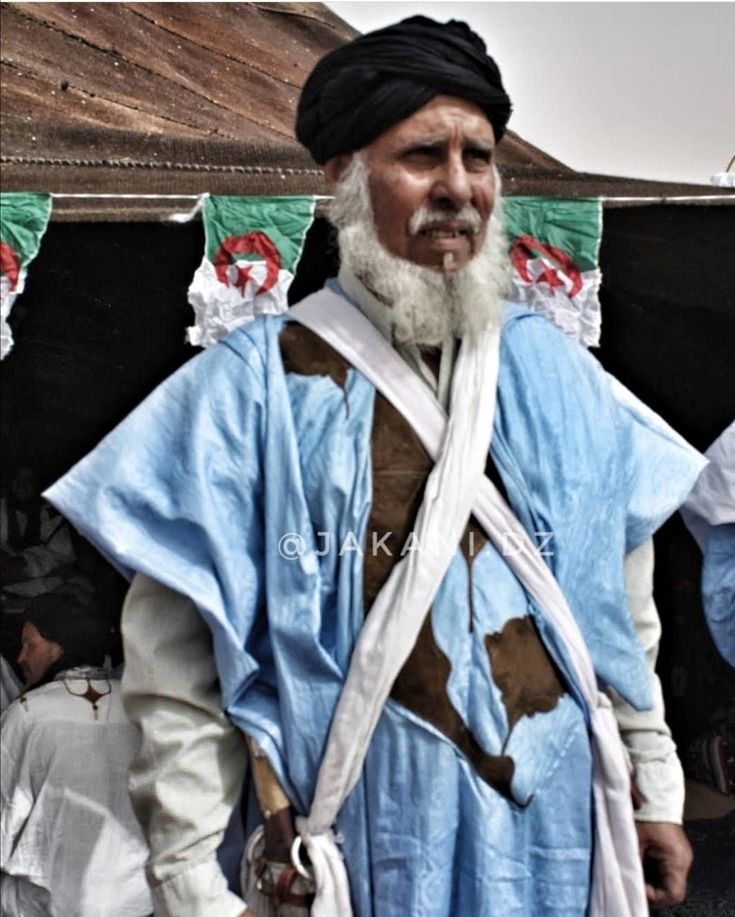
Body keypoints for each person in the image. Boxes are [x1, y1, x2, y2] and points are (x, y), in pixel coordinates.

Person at [45, 16, 706, 917]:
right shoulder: (248, 392)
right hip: (363, 849)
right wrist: (189, 883)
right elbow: (179, 667)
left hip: (558, 843)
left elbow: (620, 610)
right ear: (342, 175)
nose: (458, 187)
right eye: (421, 155)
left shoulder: (564, 377)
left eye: (478, 157)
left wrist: (654, 787)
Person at [0, 593, 152, 917]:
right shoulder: (140, 708)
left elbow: (4, 814)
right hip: (138, 901)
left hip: (52, 904)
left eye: (31, 645)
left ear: (60, 648)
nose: (20, 656)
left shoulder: (27, 714)